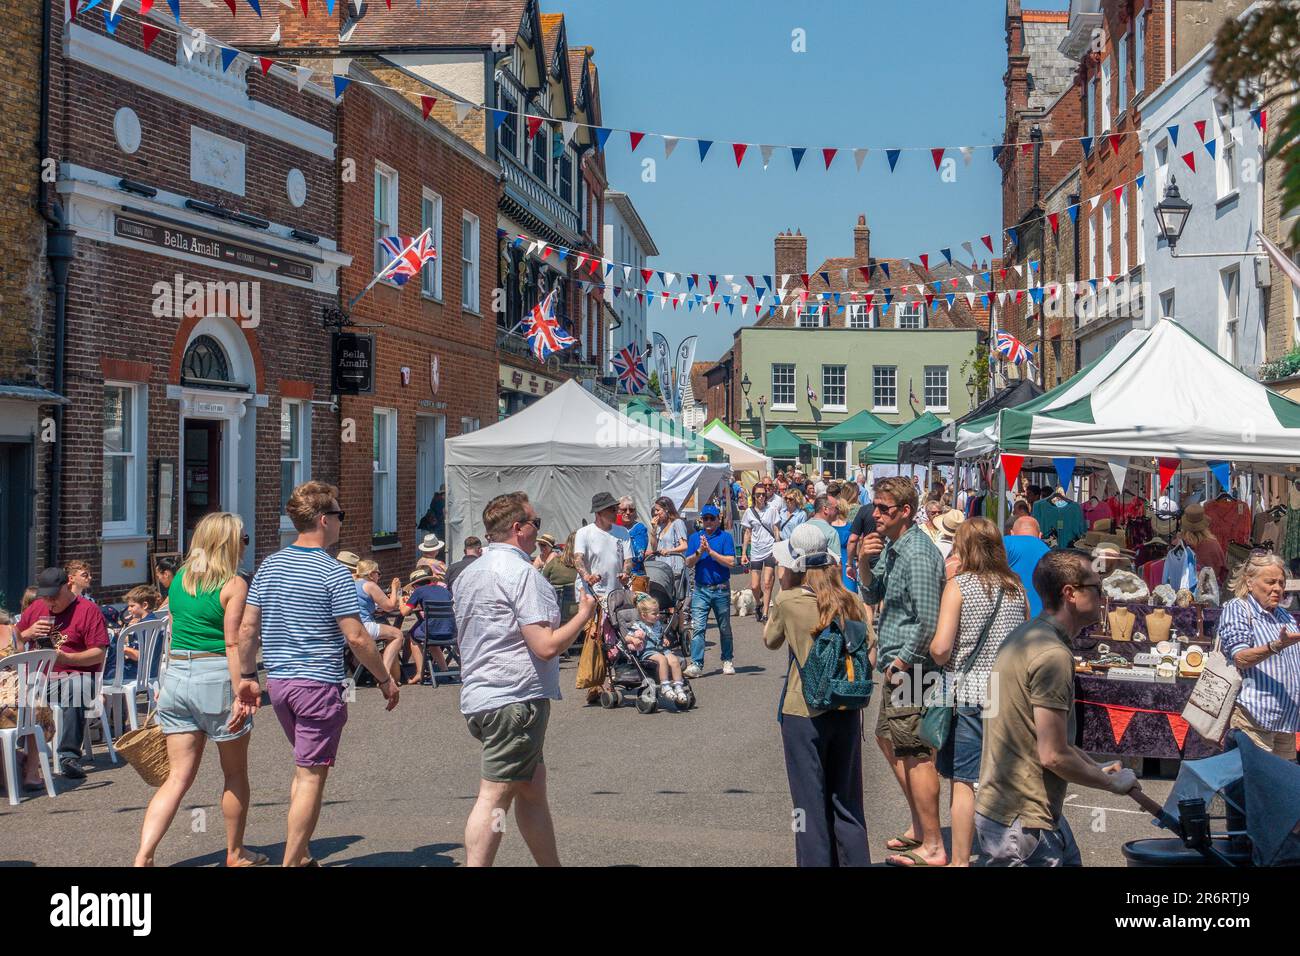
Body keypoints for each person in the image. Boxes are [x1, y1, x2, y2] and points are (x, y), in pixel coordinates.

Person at [233, 481, 399, 867]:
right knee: (311, 778)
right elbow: (357, 637)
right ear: (324, 520)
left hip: (281, 685)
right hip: (318, 684)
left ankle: (302, 852)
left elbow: (246, 629)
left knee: (303, 769)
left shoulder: (270, 565)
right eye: (340, 515)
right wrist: (384, 679)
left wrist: (246, 676)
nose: (343, 521)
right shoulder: (333, 573)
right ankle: (290, 862)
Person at [454, 492, 596, 866]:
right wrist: (584, 614)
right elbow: (546, 645)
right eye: (536, 523)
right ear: (518, 529)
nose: (539, 530)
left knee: (532, 790)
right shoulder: (521, 575)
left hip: (485, 695)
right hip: (513, 699)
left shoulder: (470, 574)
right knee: (494, 797)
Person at [976, 549, 1142, 865]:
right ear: (1070, 594)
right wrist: (1109, 783)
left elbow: (1047, 739)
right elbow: (1052, 753)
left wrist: (1094, 766)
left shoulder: (1028, 635)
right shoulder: (1051, 654)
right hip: (1023, 817)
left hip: (1023, 811)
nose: (1102, 594)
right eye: (1096, 587)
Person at [134, 512, 265, 867]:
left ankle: (143, 856)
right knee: (235, 773)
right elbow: (234, 643)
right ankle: (235, 853)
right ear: (229, 543)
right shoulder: (234, 584)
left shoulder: (179, 581)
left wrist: (162, 682)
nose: (245, 545)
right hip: (216, 676)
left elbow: (171, 630)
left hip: (177, 675)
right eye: (243, 539)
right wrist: (244, 688)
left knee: (176, 778)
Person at [765, 523, 872, 866]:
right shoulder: (852, 600)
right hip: (846, 705)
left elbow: (770, 640)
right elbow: (869, 648)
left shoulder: (788, 601)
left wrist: (783, 588)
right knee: (847, 799)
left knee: (806, 806)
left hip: (804, 710)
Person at [855, 476, 947, 867]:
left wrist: (902, 661)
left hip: (912, 668)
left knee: (915, 751)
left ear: (905, 512)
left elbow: (928, 620)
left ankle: (934, 844)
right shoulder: (895, 547)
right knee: (887, 738)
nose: (874, 514)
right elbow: (872, 595)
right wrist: (862, 561)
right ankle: (919, 825)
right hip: (900, 666)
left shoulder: (917, 554)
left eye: (883, 508)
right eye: (874, 506)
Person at [928, 517, 1029, 867]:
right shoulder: (1016, 586)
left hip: (968, 693)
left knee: (965, 780)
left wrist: (934, 652)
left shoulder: (959, 586)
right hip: (1010, 696)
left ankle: (959, 860)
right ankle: (1006, 851)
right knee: (1005, 776)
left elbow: (941, 648)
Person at [17, 566, 109, 779]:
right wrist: (27, 633)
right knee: (13, 692)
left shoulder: (87, 610)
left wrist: (66, 658)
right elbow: (14, 639)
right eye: (46, 597)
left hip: (76, 673)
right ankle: (17, 754)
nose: (50, 602)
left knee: (76, 687)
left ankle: (68, 756)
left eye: (54, 596)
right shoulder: (38, 607)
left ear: (68, 585)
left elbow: (98, 653)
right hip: (39, 675)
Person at [1217, 553, 1300, 758]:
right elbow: (1240, 657)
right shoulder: (1238, 608)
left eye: (1281, 583)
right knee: (1253, 784)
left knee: (1282, 785)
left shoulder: (1284, 616)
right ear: (1250, 582)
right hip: (1254, 719)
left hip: (1286, 721)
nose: (1278, 588)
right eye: (1270, 582)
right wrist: (1275, 646)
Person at [684, 504, 737, 677]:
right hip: (701, 589)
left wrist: (711, 552)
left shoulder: (725, 537)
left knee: (724, 627)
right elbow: (688, 563)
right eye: (705, 518)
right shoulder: (694, 538)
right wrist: (700, 551)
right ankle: (696, 664)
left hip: (721, 589)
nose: (708, 522)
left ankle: (727, 659)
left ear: (718, 519)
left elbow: (731, 562)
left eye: (711, 518)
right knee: (698, 627)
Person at [352, 560, 408, 685]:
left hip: (349, 627)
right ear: (371, 574)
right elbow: (390, 606)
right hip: (364, 626)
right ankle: (385, 674)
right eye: (378, 573)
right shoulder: (369, 585)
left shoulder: (352, 583)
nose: (379, 576)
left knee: (391, 633)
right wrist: (395, 588)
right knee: (397, 634)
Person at [626, 593, 687, 704]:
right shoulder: (638, 626)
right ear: (644, 615)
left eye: (658, 612)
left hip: (661, 649)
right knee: (662, 660)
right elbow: (627, 637)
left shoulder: (657, 624)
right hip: (647, 651)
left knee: (674, 660)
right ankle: (665, 685)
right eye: (654, 614)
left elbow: (660, 634)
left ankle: (678, 685)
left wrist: (664, 638)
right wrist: (634, 640)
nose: (658, 615)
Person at [574, 492, 631, 599]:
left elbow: (628, 559)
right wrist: (587, 577)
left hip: (615, 593)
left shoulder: (623, 532)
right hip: (590, 593)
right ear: (598, 513)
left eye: (616, 509)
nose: (616, 513)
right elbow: (578, 559)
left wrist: (625, 573)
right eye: (611, 510)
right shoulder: (583, 532)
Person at [104, 584, 163, 685]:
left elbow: (141, 655)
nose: (129, 609)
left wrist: (121, 648)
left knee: (104, 675)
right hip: (150, 671)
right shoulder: (153, 622)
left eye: (132, 606)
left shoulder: (145, 626)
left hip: (137, 673)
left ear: (144, 605)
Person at [401, 567, 451, 683]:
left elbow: (404, 612)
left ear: (415, 586)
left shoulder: (419, 591)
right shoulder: (443, 590)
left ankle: (419, 673)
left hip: (432, 629)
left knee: (413, 637)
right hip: (451, 630)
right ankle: (445, 670)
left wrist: (400, 601)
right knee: (431, 641)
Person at [739, 485, 780, 624]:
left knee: (768, 583)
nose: (761, 497)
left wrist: (778, 549)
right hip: (756, 551)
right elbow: (747, 533)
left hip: (770, 549)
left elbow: (776, 530)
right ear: (753, 496)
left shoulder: (772, 510)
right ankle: (758, 603)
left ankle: (765, 613)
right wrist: (744, 553)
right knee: (755, 586)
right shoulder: (749, 512)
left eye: (763, 494)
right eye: (758, 494)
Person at [1004, 516, 1050, 617]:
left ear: (1011, 533)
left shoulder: (1006, 543)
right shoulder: (1048, 552)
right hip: (1041, 621)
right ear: (1040, 535)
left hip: (1011, 618)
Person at [1179, 503, 1226, 584]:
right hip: (1209, 590)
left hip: (1182, 590)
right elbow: (1221, 571)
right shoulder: (1213, 544)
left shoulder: (1178, 544)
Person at [644, 496, 688, 581]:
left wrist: (669, 550)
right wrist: (654, 529)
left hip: (675, 569)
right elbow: (654, 547)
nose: (656, 513)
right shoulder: (660, 526)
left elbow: (684, 546)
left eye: (658, 510)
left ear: (666, 509)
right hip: (661, 568)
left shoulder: (677, 523)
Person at [541, 532, 580, 621]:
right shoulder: (585, 569)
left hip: (554, 614)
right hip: (577, 617)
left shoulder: (554, 562)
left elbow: (542, 581)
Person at [804, 495, 843, 564]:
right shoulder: (831, 532)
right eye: (836, 508)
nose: (838, 511)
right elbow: (836, 564)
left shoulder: (801, 528)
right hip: (823, 573)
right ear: (825, 509)